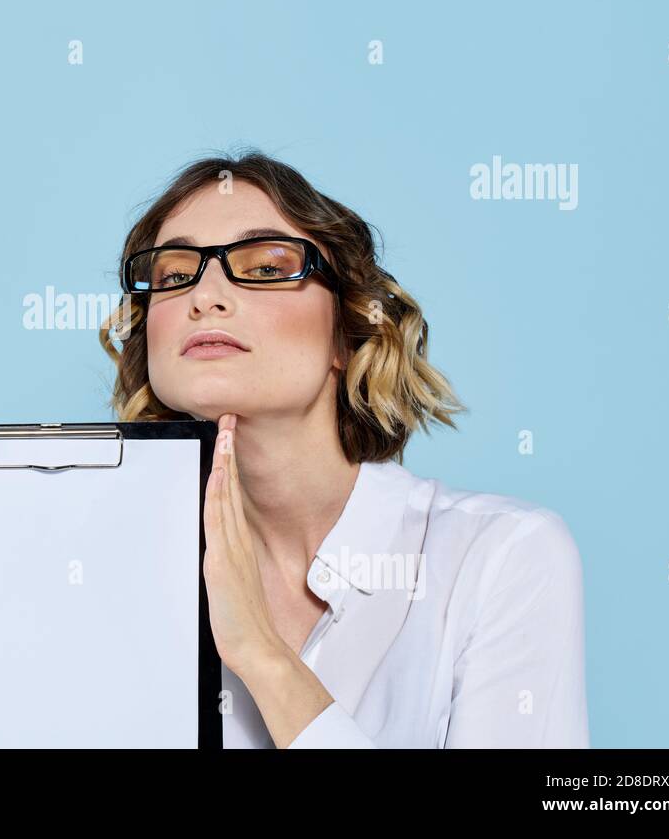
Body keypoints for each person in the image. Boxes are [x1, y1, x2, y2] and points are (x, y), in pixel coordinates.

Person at [98, 150, 588, 748]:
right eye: (175, 276)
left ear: (346, 332)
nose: (205, 296)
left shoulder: (499, 558)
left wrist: (262, 653)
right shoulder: (108, 576)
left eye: (267, 266)